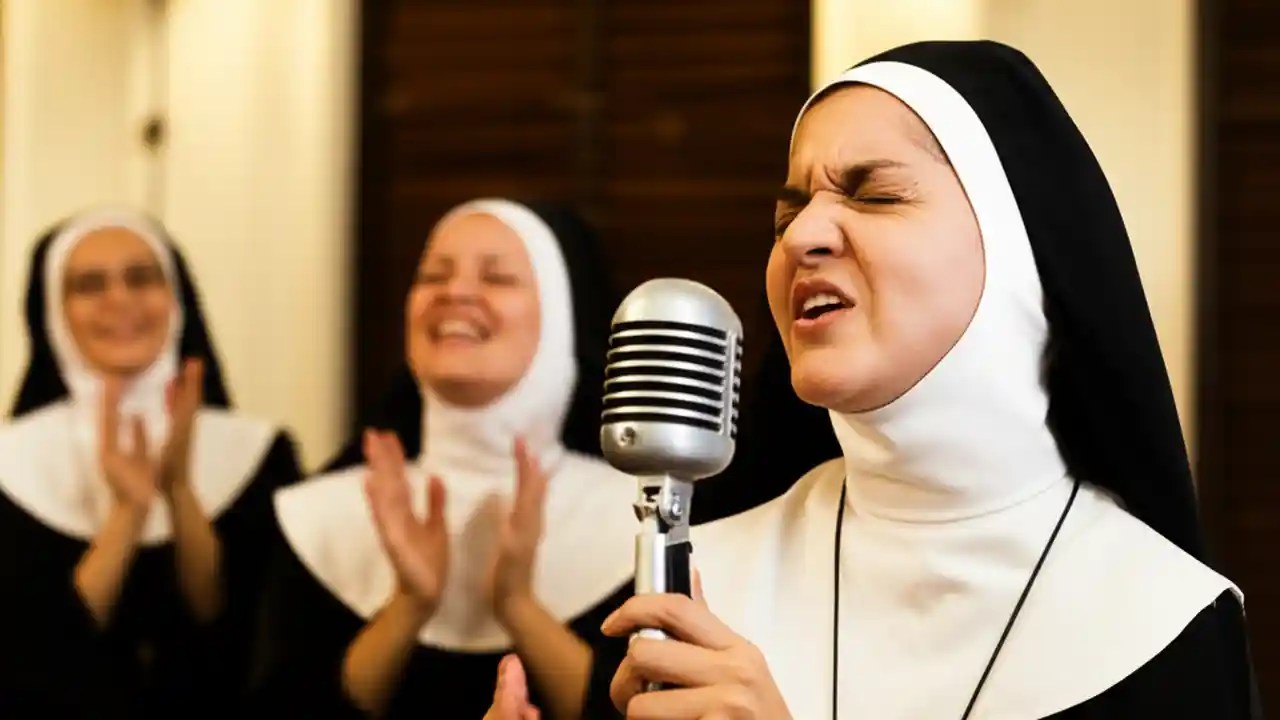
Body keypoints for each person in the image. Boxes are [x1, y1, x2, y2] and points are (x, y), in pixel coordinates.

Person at [590, 40, 1260, 719]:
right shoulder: (687, 592)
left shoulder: (1158, 619)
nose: (800, 238)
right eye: (787, 215)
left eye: (876, 195)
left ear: (1016, 253)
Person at [252, 199, 639, 719]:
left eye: (497, 277)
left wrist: (518, 605)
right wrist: (409, 603)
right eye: (434, 274)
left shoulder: (642, 517)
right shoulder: (319, 518)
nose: (455, 292)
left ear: (560, 318)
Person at [0, 209, 302, 718]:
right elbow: (36, 659)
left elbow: (236, 636)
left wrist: (180, 490)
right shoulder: (10, 463)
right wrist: (129, 511)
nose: (119, 300)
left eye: (141, 278)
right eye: (89, 285)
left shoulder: (258, 452)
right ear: (54, 311)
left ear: (177, 298)